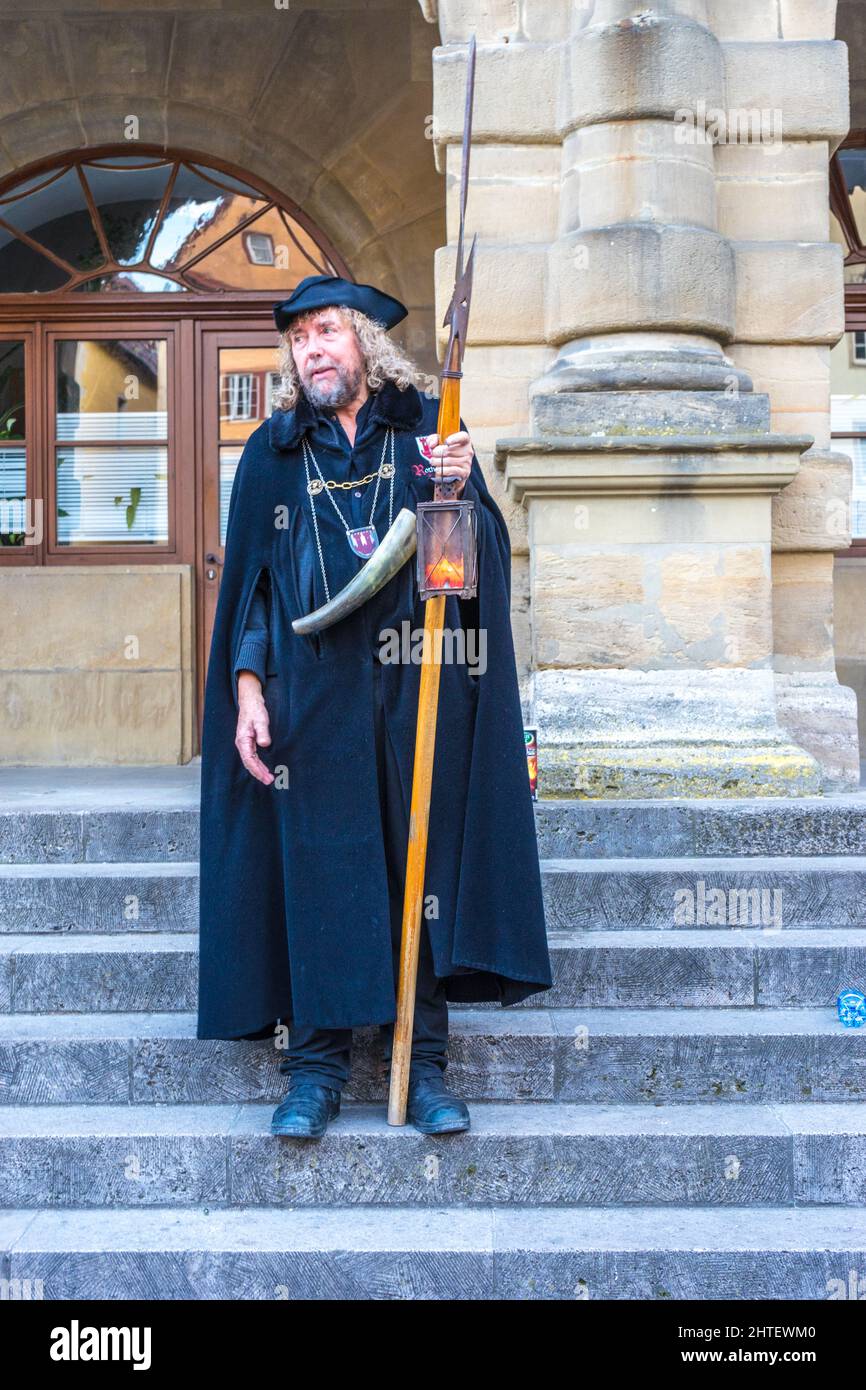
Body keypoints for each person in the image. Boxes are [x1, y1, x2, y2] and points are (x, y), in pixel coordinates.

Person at [196, 274, 552, 1141]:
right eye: (298, 338)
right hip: (309, 698)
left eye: (325, 332)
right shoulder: (273, 452)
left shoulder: (428, 431)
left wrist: (458, 493)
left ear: (364, 341)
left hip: (415, 690)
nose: (310, 349)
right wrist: (247, 690)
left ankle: (420, 1065)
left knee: (416, 870)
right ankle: (313, 1070)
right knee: (315, 871)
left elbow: (475, 568)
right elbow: (251, 592)